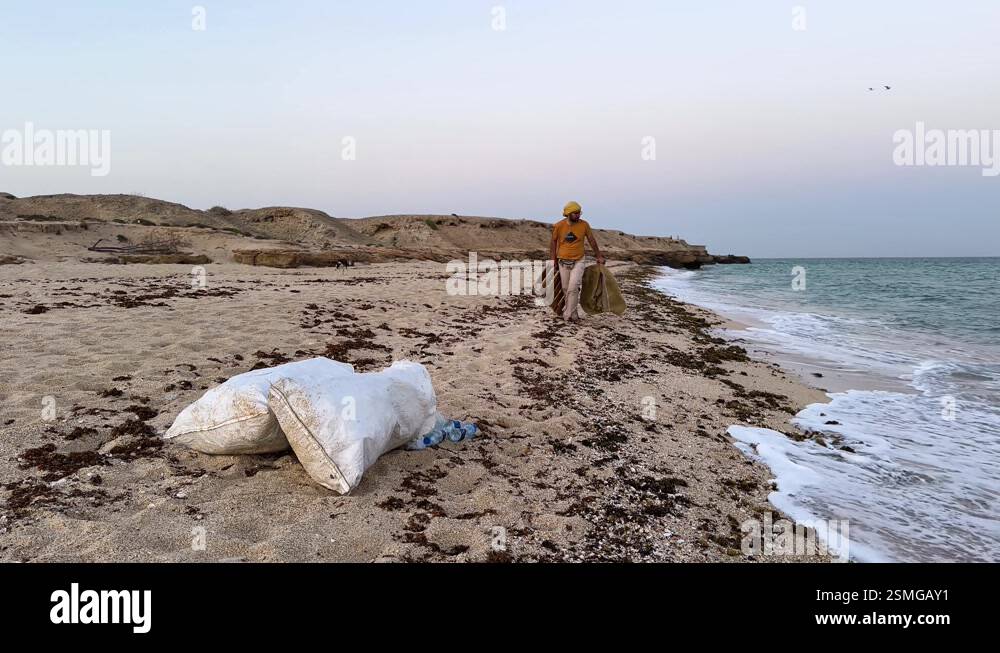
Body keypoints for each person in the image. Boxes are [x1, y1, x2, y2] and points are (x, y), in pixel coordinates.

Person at [551, 201, 604, 322]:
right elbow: (553, 242)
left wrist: (599, 256)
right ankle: (574, 314)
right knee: (565, 288)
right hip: (562, 261)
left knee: (573, 287)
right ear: (568, 213)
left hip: (579, 260)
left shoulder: (584, 225)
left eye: (579, 213)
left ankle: (567, 314)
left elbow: (592, 240)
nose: (578, 215)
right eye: (575, 213)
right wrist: (553, 260)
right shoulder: (559, 226)